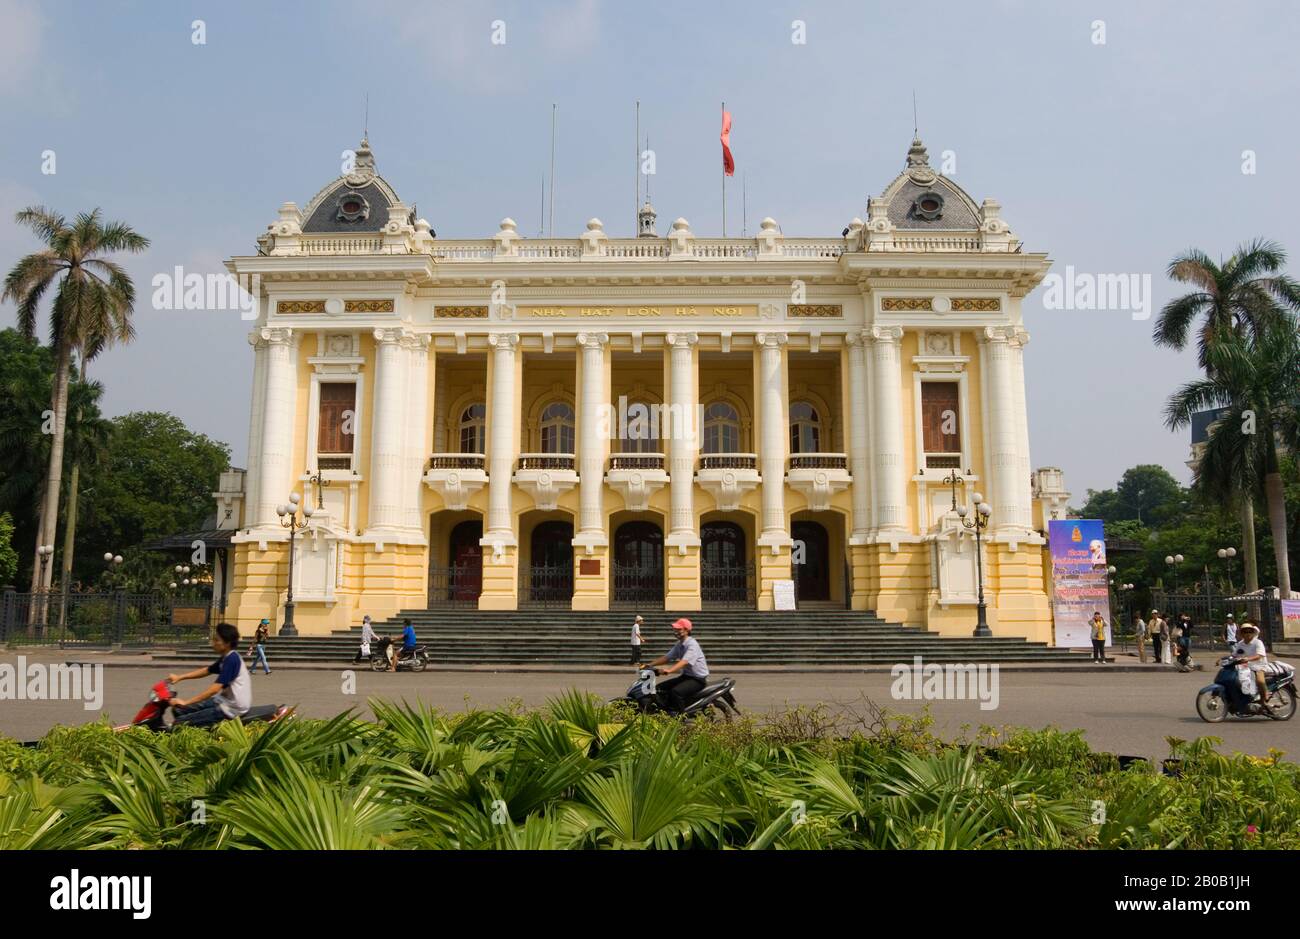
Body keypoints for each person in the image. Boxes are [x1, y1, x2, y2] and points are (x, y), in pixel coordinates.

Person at [167, 622, 251, 727]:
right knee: (178, 710)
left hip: (232, 708)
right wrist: (180, 677)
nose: (213, 643)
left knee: (179, 722)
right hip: (223, 700)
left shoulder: (232, 660)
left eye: (216, 640)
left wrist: (186, 702)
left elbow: (214, 690)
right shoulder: (226, 657)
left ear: (227, 643)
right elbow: (207, 670)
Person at [642, 618, 710, 711]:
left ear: (687, 630)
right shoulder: (679, 644)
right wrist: (649, 665)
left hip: (697, 679)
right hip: (686, 676)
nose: (676, 631)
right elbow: (667, 658)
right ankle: (667, 710)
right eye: (675, 629)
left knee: (676, 692)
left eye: (679, 629)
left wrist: (669, 670)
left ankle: (680, 718)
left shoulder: (692, 645)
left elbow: (684, 661)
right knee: (659, 689)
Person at [1232, 622, 1270, 704]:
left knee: (1260, 680)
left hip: (1259, 665)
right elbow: (1234, 655)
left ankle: (1265, 693)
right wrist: (1222, 659)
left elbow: (1260, 655)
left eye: (1250, 631)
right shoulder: (1240, 644)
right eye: (1245, 632)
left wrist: (1247, 659)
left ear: (1253, 633)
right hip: (1246, 666)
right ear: (1242, 633)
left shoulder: (1258, 642)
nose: (1247, 633)